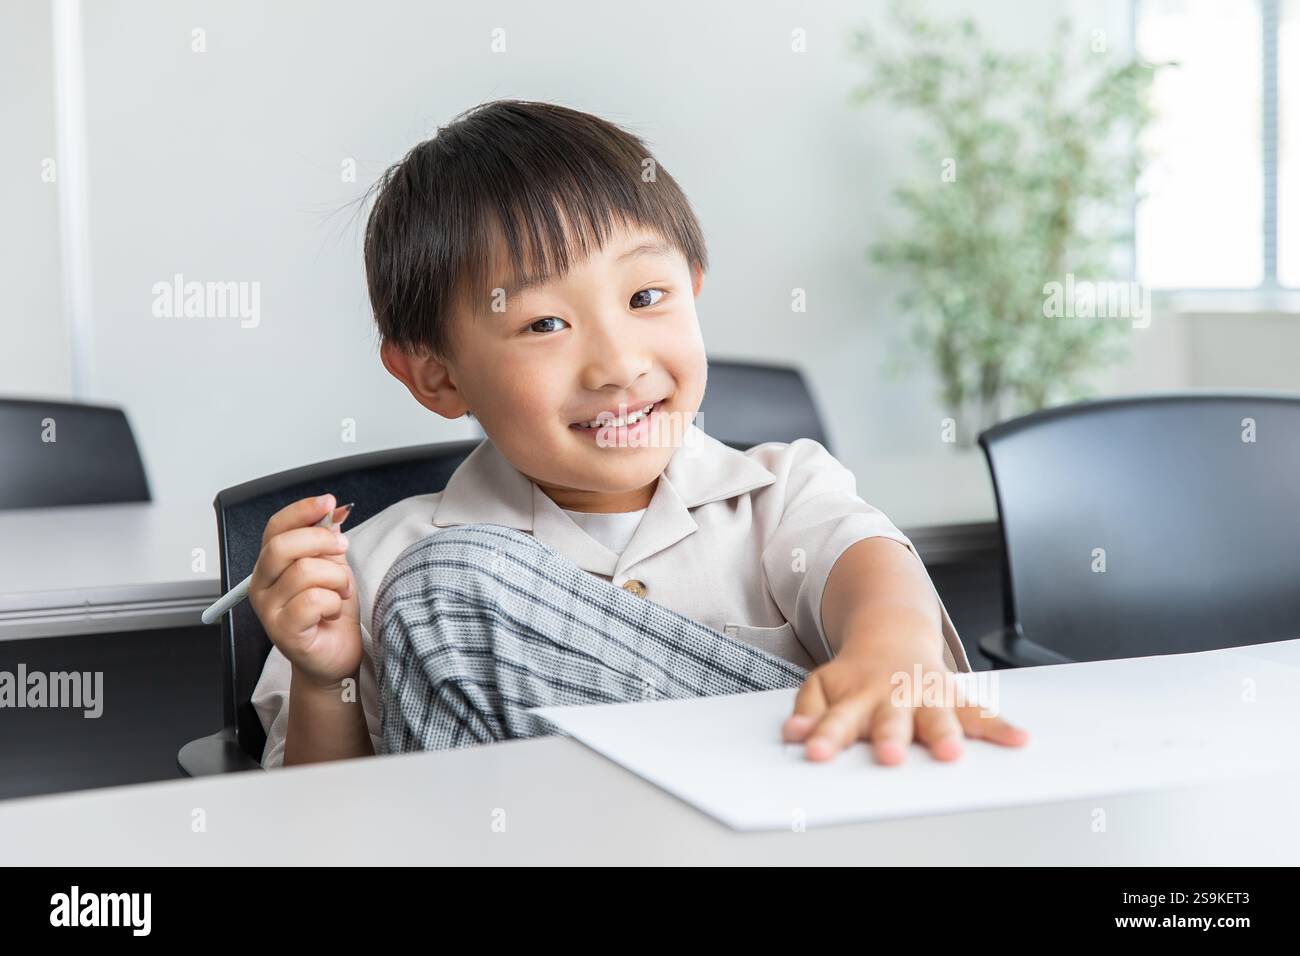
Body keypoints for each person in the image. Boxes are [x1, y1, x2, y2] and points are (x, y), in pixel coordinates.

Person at [249, 99, 1028, 769]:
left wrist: (890, 651)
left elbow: (866, 563)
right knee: (441, 586)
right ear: (437, 377)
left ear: (693, 291)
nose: (618, 363)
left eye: (646, 295)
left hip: (787, 827)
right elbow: (328, 828)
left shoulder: (780, 492)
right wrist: (326, 681)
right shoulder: (380, 569)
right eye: (544, 322)